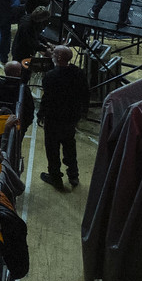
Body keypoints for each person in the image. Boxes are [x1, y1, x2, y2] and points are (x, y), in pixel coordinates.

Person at [37, 46, 87, 189]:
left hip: (54, 119)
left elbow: (47, 99)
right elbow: (85, 93)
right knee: (69, 145)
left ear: (58, 58)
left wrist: (40, 114)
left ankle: (55, 177)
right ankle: (73, 175)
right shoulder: (79, 73)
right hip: (71, 118)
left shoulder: (51, 76)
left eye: (54, 52)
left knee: (52, 149)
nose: (51, 54)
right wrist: (82, 112)